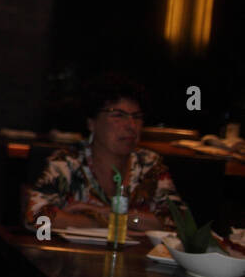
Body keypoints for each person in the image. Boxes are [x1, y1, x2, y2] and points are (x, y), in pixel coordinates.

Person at [24, 73, 181, 231]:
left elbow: (179, 222)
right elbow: (35, 217)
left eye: (137, 117)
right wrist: (102, 220)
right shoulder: (67, 162)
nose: (131, 126)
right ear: (92, 123)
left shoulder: (149, 164)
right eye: (118, 115)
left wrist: (109, 215)